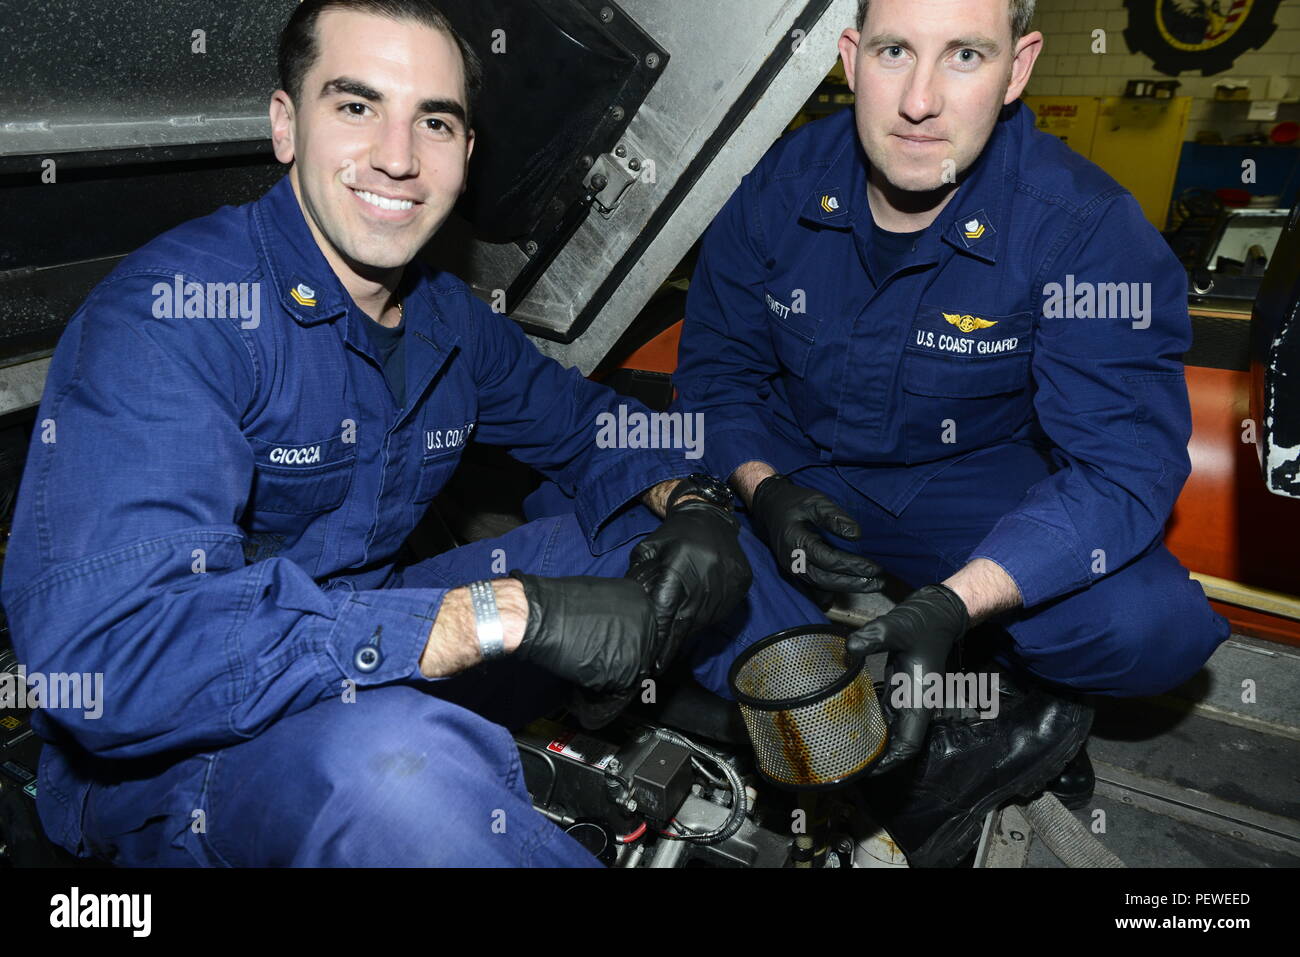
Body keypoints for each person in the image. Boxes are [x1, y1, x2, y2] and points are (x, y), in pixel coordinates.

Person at [0, 0, 776, 867]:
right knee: (394, 773)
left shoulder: (448, 315)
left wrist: (698, 502)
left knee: (652, 534)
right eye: (357, 106)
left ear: (467, 153)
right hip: (185, 749)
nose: (399, 158)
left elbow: (590, 426)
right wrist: (496, 614)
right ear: (286, 125)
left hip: (365, 642)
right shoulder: (173, 318)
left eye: (434, 121)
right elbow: (115, 659)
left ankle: (848, 750)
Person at [671, 0, 1230, 865]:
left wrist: (954, 602)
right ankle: (815, 666)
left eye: (965, 55)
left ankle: (1006, 694)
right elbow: (716, 374)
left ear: (1018, 67)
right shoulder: (776, 189)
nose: (920, 100)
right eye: (896, 51)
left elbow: (1121, 468)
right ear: (852, 59)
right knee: (589, 505)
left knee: (1147, 625)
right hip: (798, 461)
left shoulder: (1083, 229)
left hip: (962, 482)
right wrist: (761, 486)